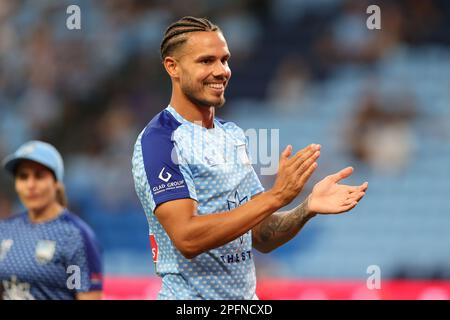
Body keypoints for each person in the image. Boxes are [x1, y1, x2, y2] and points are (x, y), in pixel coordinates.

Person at [132, 16, 368, 300]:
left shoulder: (230, 135)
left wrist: (307, 208)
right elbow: (186, 237)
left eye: (225, 60)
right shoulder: (160, 140)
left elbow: (261, 235)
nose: (222, 71)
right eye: (206, 61)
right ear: (173, 67)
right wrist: (277, 196)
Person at [0, 140, 103, 300]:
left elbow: (88, 295)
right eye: (23, 176)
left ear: (56, 183)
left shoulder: (75, 235)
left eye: (39, 176)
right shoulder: (5, 229)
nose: (30, 185)